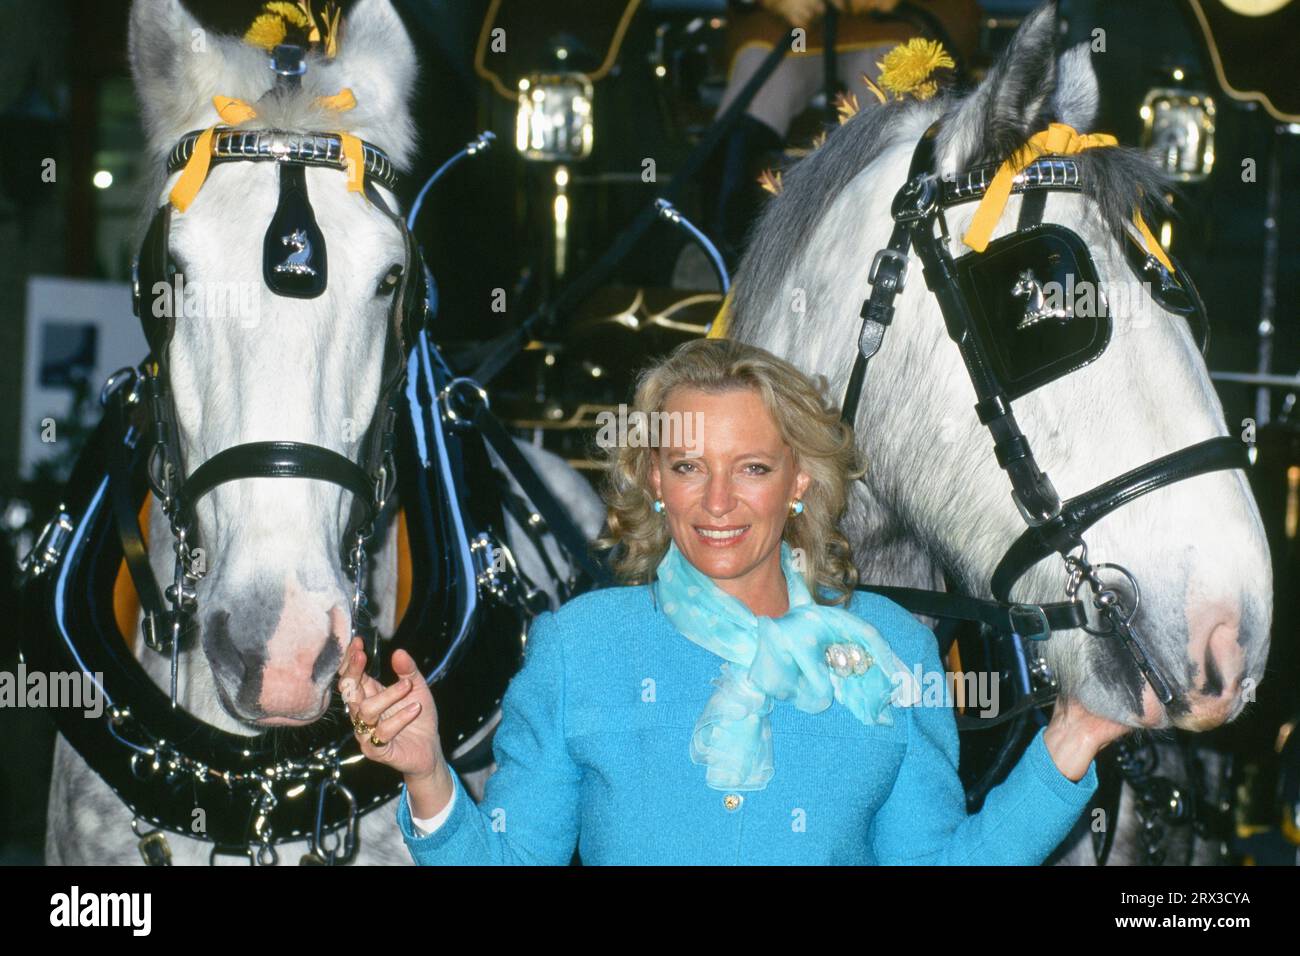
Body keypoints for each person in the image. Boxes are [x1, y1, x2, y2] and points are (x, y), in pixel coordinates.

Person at [337, 338, 1129, 865]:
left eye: (751, 467)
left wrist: (1071, 742)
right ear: (654, 479)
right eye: (687, 466)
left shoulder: (892, 649)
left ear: (801, 479)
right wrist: (428, 773)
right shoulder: (580, 648)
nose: (718, 502)